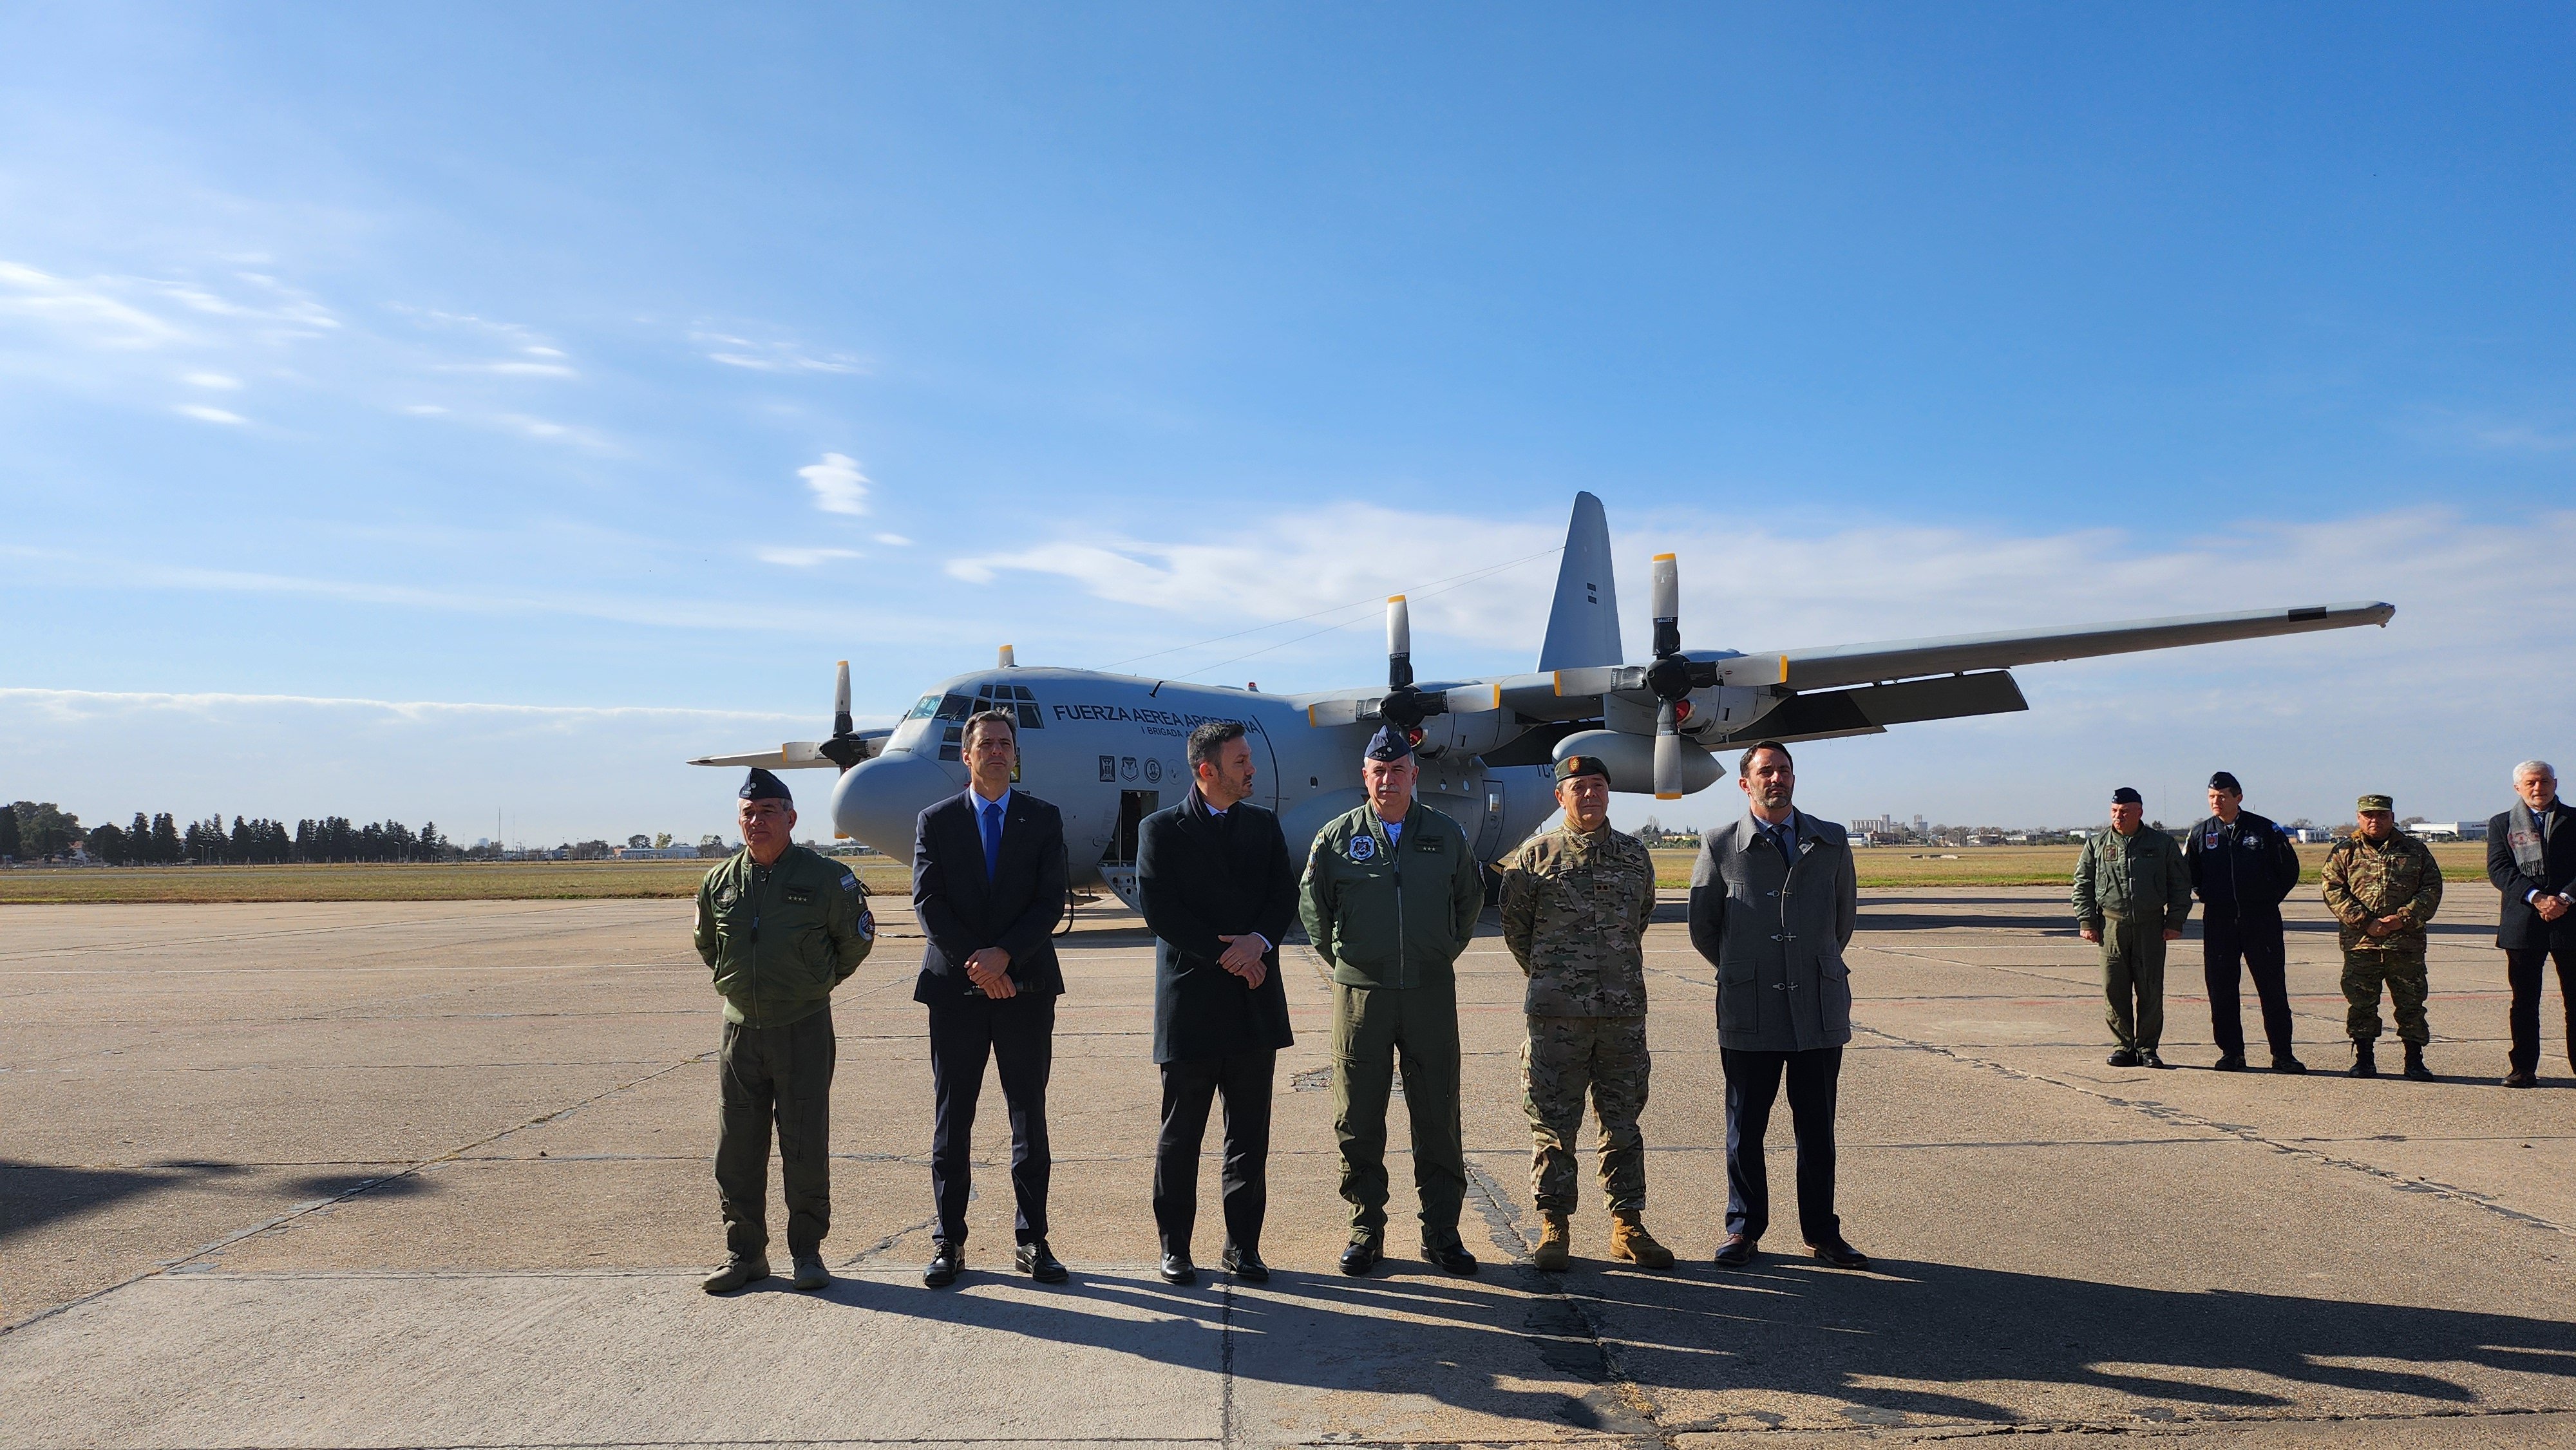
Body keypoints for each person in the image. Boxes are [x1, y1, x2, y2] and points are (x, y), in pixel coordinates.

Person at [1298, 725, 1487, 1277]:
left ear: (1413, 775)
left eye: (1397, 770)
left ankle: (1442, 1233)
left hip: (1429, 993)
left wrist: (1440, 953)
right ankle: (1365, 1230)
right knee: (1358, 1116)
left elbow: (1468, 901)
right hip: (1362, 998)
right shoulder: (1336, 838)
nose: (1387, 780)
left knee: (1438, 1114)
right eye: (1377, 772)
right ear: (1365, 777)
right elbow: (1314, 908)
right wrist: (1349, 962)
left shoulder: (1445, 834)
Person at [693, 768, 876, 1294]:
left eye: (768, 812)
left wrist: (814, 984)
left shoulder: (827, 878)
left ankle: (808, 1254)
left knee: (804, 1141)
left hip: (803, 1027)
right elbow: (710, 945)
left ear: (791, 819)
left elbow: (856, 942)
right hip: (740, 1033)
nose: (757, 822)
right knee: (737, 1148)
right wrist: (738, 986)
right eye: (749, 813)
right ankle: (744, 1254)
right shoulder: (720, 881)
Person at [1689, 740, 1867, 1272]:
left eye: (1784, 770)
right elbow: (1704, 928)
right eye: (1766, 771)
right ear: (1745, 783)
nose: (1777, 779)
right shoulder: (1720, 844)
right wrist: (1748, 969)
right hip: (1751, 1008)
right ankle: (1743, 1229)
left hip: (1816, 1007)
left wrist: (1808, 965)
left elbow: (1842, 922)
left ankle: (1822, 1232)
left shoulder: (1830, 841)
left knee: (1817, 1129)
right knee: (1746, 1128)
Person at [912, 708, 1070, 1286]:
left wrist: (1006, 956)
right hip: (956, 989)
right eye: (987, 745)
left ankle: (1033, 1240)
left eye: (1006, 744)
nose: (998, 752)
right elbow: (930, 903)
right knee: (953, 1117)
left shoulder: (1042, 818)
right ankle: (948, 1241)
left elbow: (1049, 901)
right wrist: (979, 964)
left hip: (1025, 987)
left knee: (1029, 1113)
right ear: (967, 754)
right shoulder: (936, 820)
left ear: (1014, 754)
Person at [1497, 754, 1673, 1272]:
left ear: (1608, 792)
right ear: (1561, 796)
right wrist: (1557, 977)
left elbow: (1639, 918)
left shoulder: (1634, 856)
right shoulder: (1533, 858)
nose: (1589, 795)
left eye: (1598, 785)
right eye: (1579, 787)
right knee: (1553, 1124)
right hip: (1556, 1018)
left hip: (1621, 1015)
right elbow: (1517, 931)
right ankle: (1554, 1224)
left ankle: (1628, 1224)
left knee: (1622, 1122)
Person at [1136, 720, 1297, 1285]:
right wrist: (1227, 954)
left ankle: (1242, 1246)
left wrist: (1261, 942)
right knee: (1182, 1136)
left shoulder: (1263, 825)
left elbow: (1283, 893)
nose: (1251, 768)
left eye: (1249, 758)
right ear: (1207, 770)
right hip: (1193, 1004)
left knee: (1249, 1135)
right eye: (1240, 761)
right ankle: (1175, 1247)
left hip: (1254, 1000)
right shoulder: (1160, 830)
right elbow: (1162, 910)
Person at [2184, 771, 2307, 1073]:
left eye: (2223, 796)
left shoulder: (2264, 829)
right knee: (2222, 988)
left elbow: (2289, 870)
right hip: (2219, 921)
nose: (2217, 802)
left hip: (2261, 920)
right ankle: (2232, 1053)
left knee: (2272, 988)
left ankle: (2282, 1054)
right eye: (2212, 797)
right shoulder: (2201, 834)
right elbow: (2190, 873)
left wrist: (2267, 899)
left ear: (2238, 797)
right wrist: (2207, 895)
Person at [2321, 795, 2445, 1081]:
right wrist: (2365, 922)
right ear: (2359, 817)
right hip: (2361, 943)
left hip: (2405, 943)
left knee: (2411, 1002)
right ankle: (2364, 1060)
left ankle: (2415, 1061)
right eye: (2368, 816)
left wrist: (2402, 919)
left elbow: (2431, 888)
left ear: (2392, 817)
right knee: (2362, 1003)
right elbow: (2333, 890)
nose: (2374, 821)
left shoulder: (2415, 850)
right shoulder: (2345, 851)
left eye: (2381, 815)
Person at [2071, 787, 2192, 1068]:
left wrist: (2175, 921)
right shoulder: (2098, 845)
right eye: (2114, 811)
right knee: (2115, 988)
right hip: (2111, 926)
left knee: (2150, 989)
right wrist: (2087, 921)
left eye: (2124, 812)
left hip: (2151, 926)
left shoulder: (2161, 844)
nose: (2118, 817)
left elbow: (2180, 884)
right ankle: (2123, 1046)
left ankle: (2148, 1047)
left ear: (2139, 812)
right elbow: (2083, 885)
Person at [2486, 761, 2574, 1088]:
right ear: (2518, 788)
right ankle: (2523, 1068)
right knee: (2524, 1001)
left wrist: (2564, 899)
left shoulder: (2574, 819)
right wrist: (2537, 898)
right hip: (2524, 923)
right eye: (2531, 783)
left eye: (2544, 781)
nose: (2539, 788)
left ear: (2555, 782)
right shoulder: (2501, 824)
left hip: (2570, 921)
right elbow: (2499, 869)